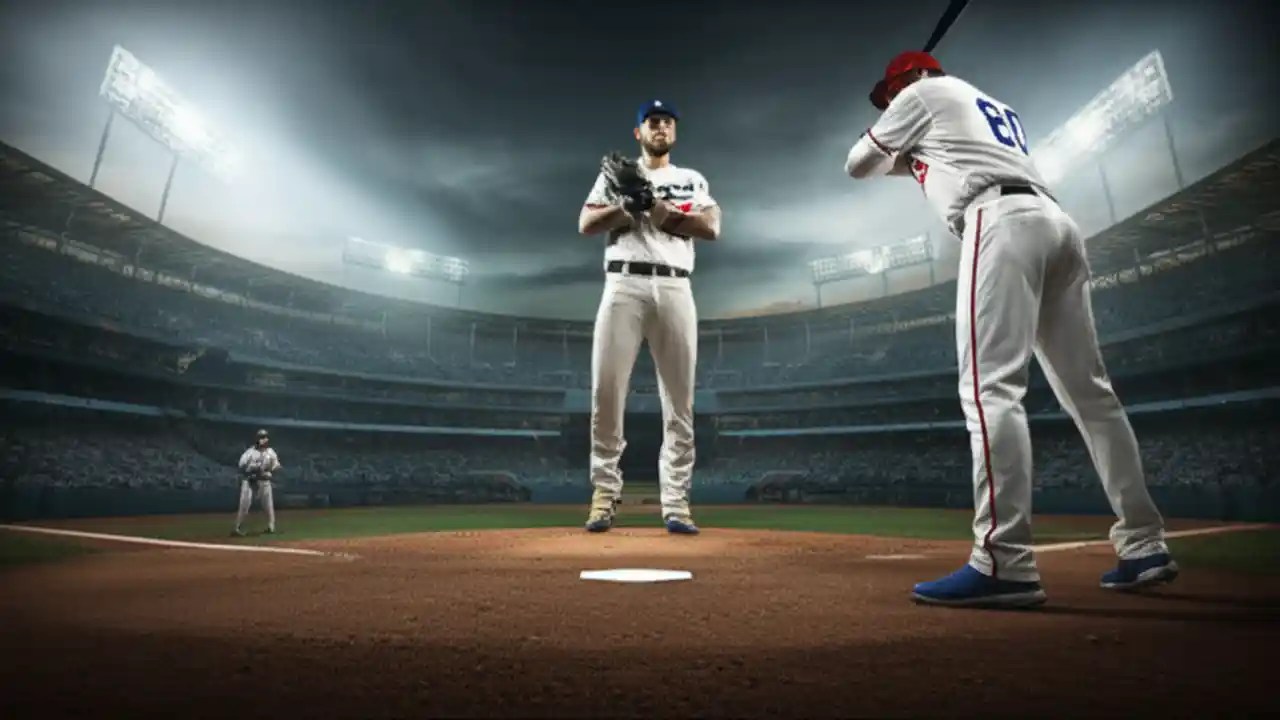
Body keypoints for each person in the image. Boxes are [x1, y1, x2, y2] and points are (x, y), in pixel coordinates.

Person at [844, 51, 1177, 607]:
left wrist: (875, 131)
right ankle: (1145, 544)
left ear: (912, 79)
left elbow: (858, 163)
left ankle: (1004, 560)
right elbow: (897, 161)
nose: (891, 103)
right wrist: (886, 138)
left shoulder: (923, 93)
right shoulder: (979, 106)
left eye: (892, 93)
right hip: (1056, 226)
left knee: (990, 390)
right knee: (1093, 396)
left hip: (998, 220)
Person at [577, 99, 722, 535]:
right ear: (638, 132)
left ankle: (676, 503)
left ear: (674, 132)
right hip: (623, 283)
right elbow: (586, 223)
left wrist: (655, 208)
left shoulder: (690, 179)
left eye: (667, 122)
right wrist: (626, 207)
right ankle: (604, 495)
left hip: (675, 285)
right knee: (606, 393)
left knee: (680, 402)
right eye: (652, 121)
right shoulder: (613, 177)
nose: (661, 127)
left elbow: (711, 227)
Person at [232, 428, 280, 536]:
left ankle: (271, 526)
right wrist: (252, 472)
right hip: (249, 481)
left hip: (264, 482)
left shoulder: (270, 452)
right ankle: (237, 527)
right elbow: (241, 466)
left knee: (268, 505)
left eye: (265, 437)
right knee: (244, 505)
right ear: (257, 439)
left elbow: (277, 466)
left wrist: (269, 471)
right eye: (262, 437)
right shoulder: (250, 452)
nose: (264, 440)